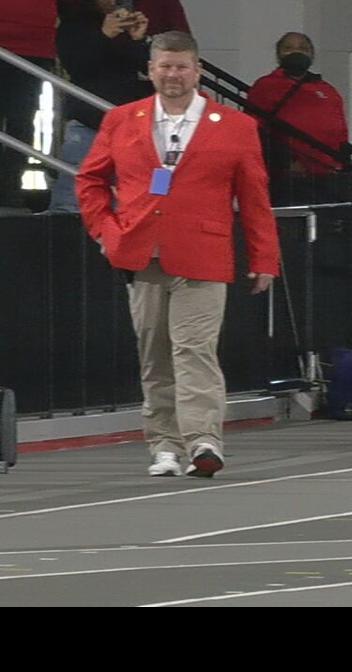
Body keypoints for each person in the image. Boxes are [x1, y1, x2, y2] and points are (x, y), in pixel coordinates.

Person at [76, 31, 280, 478]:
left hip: (203, 254)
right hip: (139, 252)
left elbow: (255, 197)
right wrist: (107, 231)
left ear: (198, 70)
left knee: (195, 349)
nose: (173, 75)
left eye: (182, 66)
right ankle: (164, 445)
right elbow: (89, 181)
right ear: (150, 70)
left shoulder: (235, 126)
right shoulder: (122, 120)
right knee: (155, 354)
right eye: (165, 66)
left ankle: (203, 440)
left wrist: (265, 257)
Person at [48, 0, 153, 212]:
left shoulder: (123, 29)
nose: (114, 2)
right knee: (74, 196)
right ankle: (65, 234)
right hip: (89, 122)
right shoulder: (73, 26)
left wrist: (138, 38)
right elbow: (78, 66)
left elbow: (148, 68)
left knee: (124, 196)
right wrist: (104, 35)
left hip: (127, 125)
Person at [246, 31, 350, 203]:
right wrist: (286, 162)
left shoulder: (327, 89)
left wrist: (342, 164)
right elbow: (255, 129)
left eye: (303, 48)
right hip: (290, 176)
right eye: (288, 48)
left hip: (328, 174)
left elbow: (341, 131)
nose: (296, 52)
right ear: (279, 54)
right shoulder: (266, 86)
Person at [0, 0, 57, 210]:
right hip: (25, 40)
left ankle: (10, 189)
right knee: (21, 122)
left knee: (23, 121)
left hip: (35, 45)